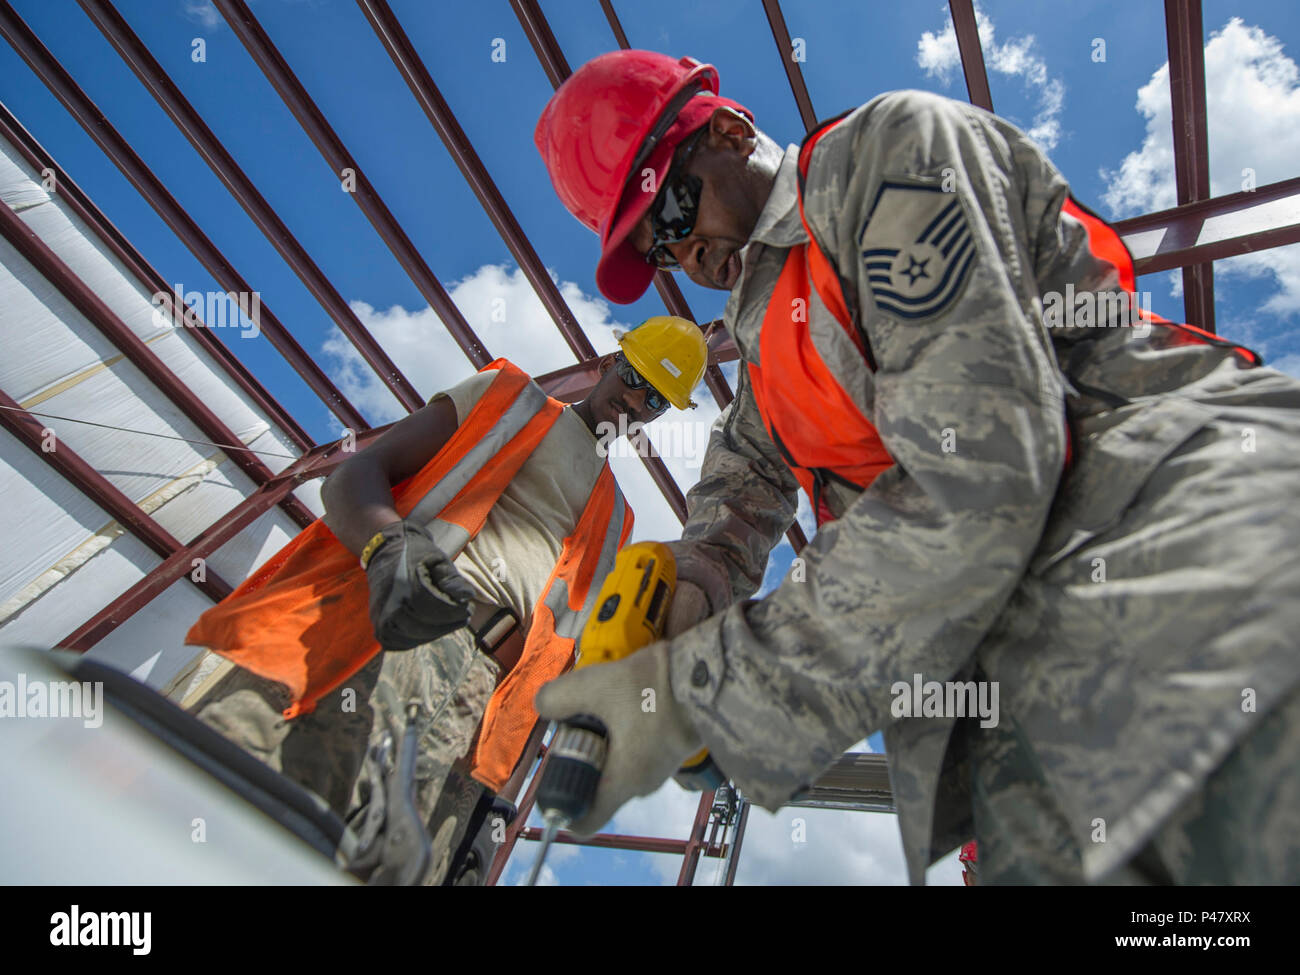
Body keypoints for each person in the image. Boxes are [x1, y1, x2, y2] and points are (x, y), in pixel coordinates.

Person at [532, 50, 1300, 884]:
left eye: (674, 209)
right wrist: (688, 587)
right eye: (659, 252)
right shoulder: (761, 338)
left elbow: (981, 465)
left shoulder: (890, 159)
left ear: (727, 128)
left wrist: (748, 683)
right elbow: (741, 492)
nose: (685, 253)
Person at [179, 317, 708, 884]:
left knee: (378, 871)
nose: (633, 399)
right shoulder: (509, 397)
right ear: (606, 364)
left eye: (653, 397)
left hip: (474, 713)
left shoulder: (617, 519)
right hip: (393, 628)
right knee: (233, 810)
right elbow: (357, 474)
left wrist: (495, 803)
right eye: (632, 376)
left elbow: (560, 666)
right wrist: (387, 549)